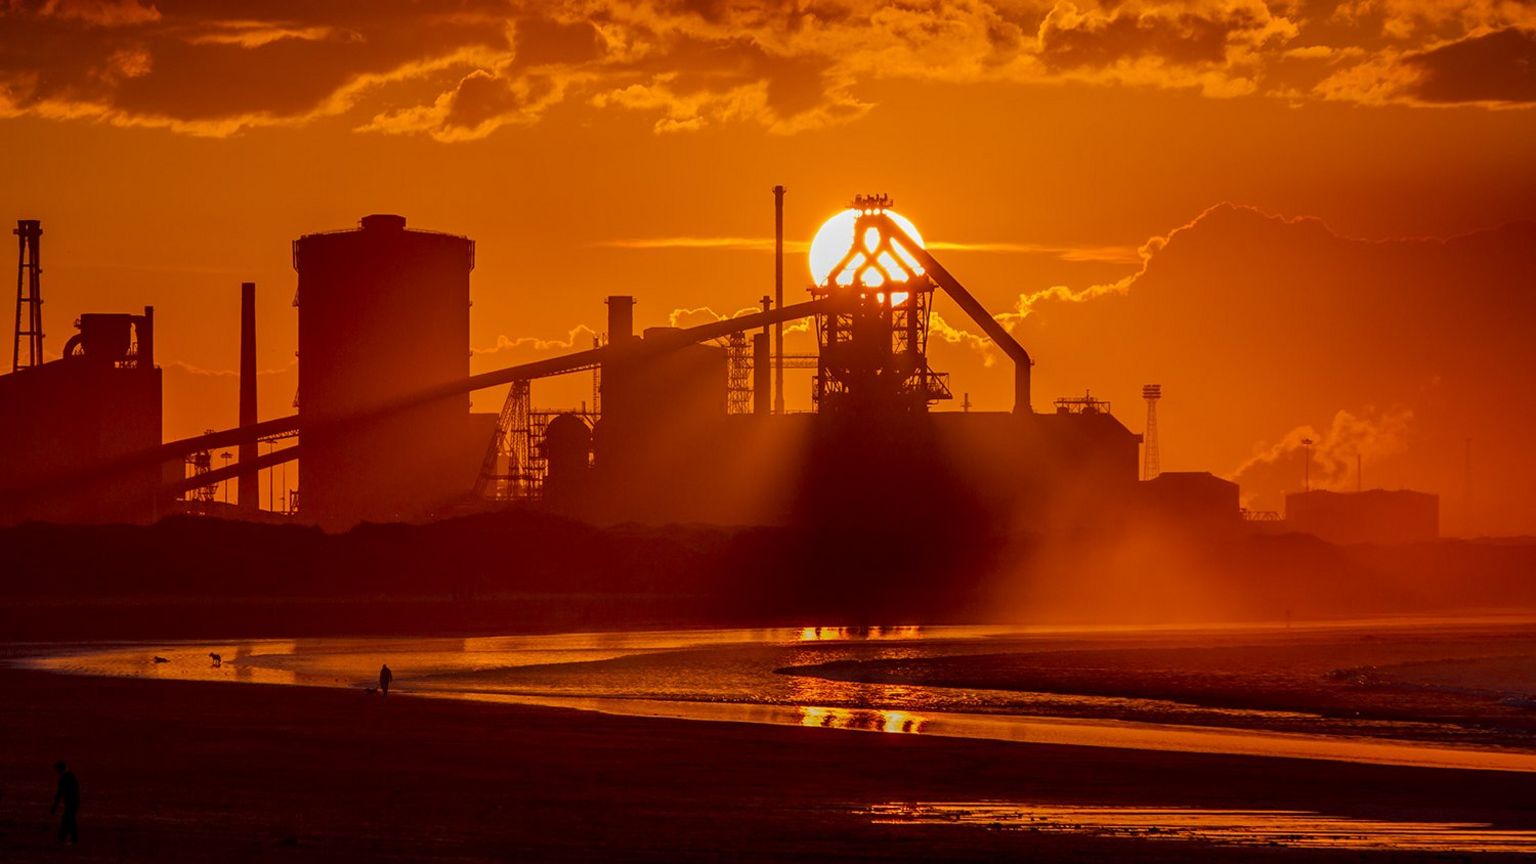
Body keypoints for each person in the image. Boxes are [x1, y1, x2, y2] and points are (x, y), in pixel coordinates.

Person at [51, 760, 79, 845]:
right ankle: (65, 837)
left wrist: (54, 806)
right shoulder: (70, 775)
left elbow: (59, 793)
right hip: (74, 802)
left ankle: (65, 837)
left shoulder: (64, 778)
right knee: (69, 819)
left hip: (71, 802)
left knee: (68, 819)